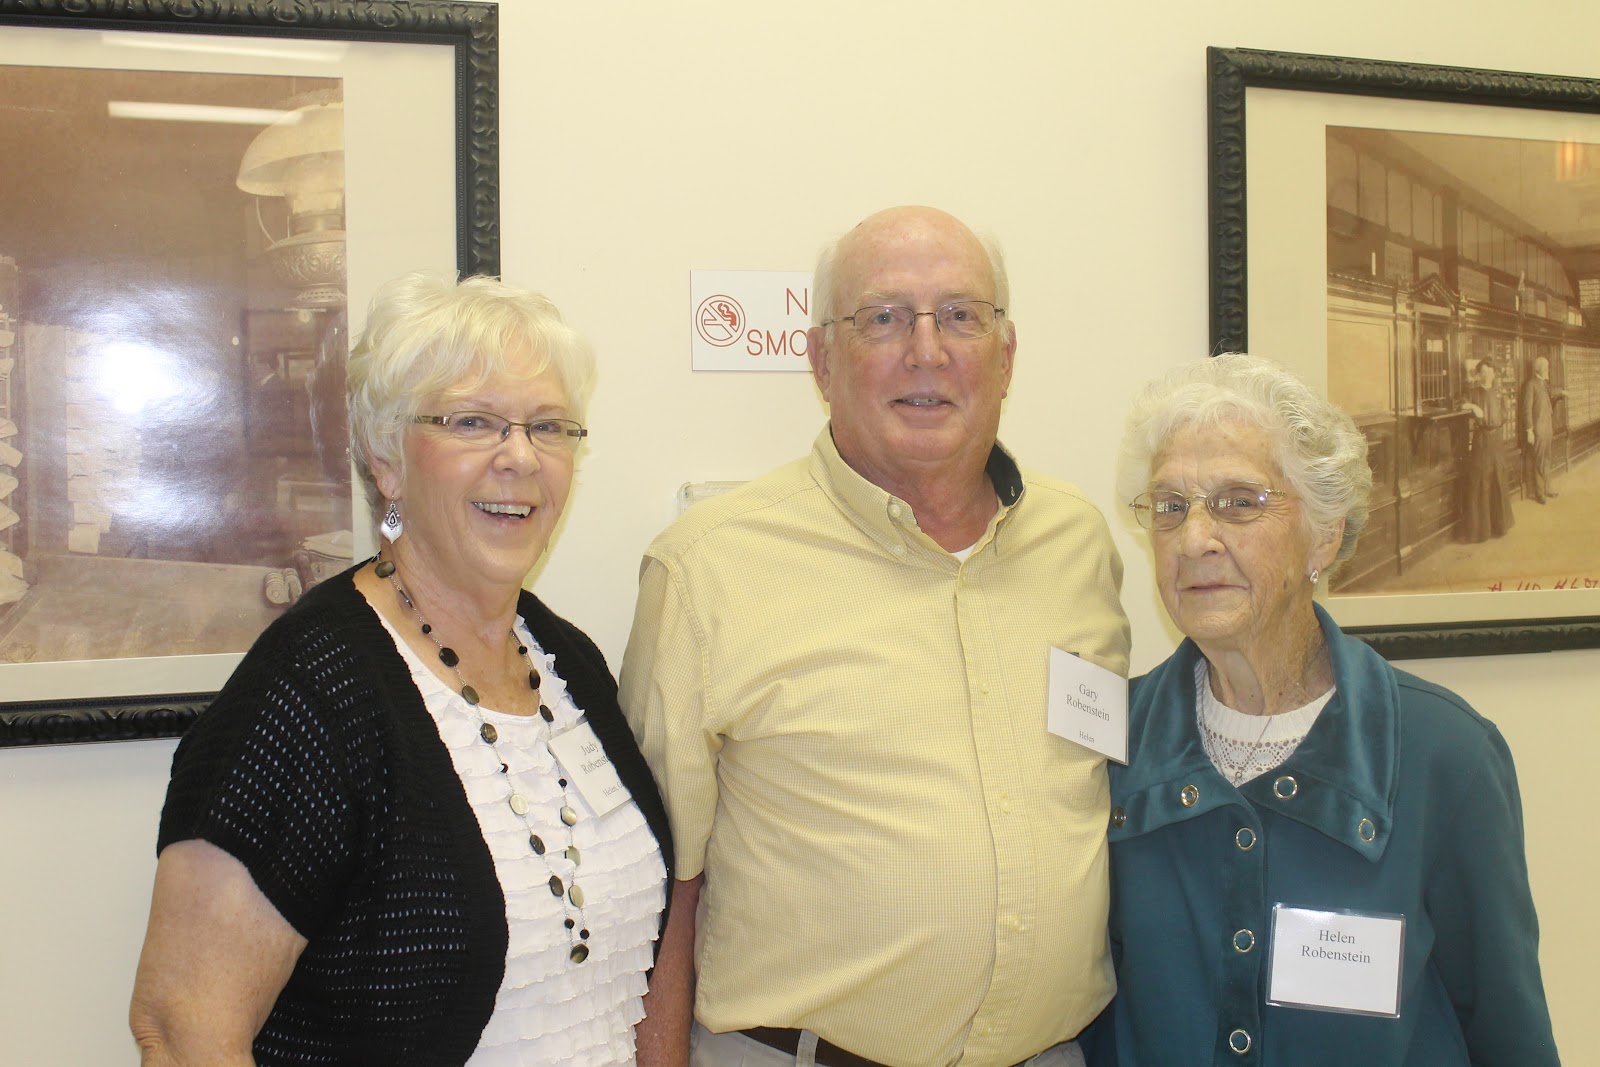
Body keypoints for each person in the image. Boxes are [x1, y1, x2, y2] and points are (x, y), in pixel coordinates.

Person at [620, 206, 1131, 1067]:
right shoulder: (705, 570)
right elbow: (657, 888)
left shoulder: (1079, 544)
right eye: (884, 317)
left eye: (961, 316)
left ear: (1006, 355)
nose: (926, 351)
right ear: (821, 359)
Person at [129, 272, 675, 1066]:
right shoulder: (312, 689)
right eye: (473, 422)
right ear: (385, 458)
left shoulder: (568, 663)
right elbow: (182, 1029)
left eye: (550, 427)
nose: (520, 457)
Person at [1091, 353, 1558, 1066]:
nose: (1194, 540)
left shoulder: (1444, 754)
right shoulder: (1112, 744)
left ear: (1325, 534)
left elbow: (1506, 1033)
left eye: (1239, 502)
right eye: (1170, 506)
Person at [1459, 359, 1514, 541]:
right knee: (1480, 480)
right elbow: (1460, 404)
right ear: (1478, 374)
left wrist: (1496, 424)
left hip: (1496, 440)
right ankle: (1481, 532)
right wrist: (1473, 406)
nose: (1486, 374)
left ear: (1494, 373)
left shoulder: (1500, 393)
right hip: (1481, 440)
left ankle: (1500, 526)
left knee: (1498, 478)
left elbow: (1506, 413)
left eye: (1489, 371)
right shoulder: (1473, 392)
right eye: (1482, 371)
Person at [1520, 355, 1566, 504]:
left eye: (1548, 367)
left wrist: (1562, 393)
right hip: (1538, 429)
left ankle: (1548, 488)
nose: (1548, 370)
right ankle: (1540, 493)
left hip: (1548, 428)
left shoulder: (1545, 383)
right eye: (1546, 368)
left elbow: (1552, 392)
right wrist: (1529, 430)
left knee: (1547, 459)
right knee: (1540, 461)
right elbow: (1526, 409)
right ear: (1538, 369)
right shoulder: (1530, 384)